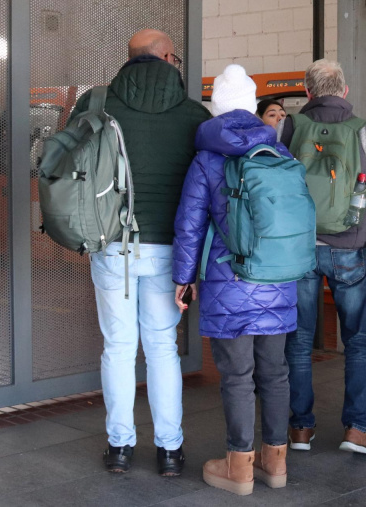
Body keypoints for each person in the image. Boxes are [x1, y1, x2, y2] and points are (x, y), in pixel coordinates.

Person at [68, 29, 210, 476]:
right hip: (170, 250)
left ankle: (120, 447)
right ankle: (169, 451)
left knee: (118, 347)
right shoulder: (194, 115)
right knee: (163, 347)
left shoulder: (97, 104)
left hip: (114, 243)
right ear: (167, 58)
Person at [173, 65, 297, 496]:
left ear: (216, 109)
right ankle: (275, 463)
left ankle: (239, 467)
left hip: (229, 283)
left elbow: (189, 226)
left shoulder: (207, 159)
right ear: (251, 106)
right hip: (278, 278)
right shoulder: (280, 153)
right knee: (276, 373)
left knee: (238, 376)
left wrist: (184, 278)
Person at [280, 58, 366, 456]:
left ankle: (300, 429)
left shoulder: (291, 126)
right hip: (349, 248)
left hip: (300, 248)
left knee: (299, 340)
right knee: (357, 340)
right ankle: (356, 429)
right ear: (345, 91)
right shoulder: (363, 129)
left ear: (307, 92)